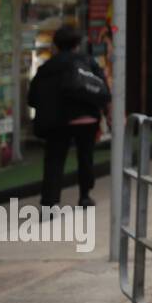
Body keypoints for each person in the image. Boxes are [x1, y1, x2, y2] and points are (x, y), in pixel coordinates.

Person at [28, 25, 107, 208]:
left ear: (56, 45)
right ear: (78, 44)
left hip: (57, 121)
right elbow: (102, 89)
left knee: (54, 161)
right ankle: (85, 196)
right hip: (86, 119)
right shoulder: (87, 62)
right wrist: (106, 112)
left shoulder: (47, 67)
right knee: (85, 157)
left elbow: (33, 98)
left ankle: (49, 203)